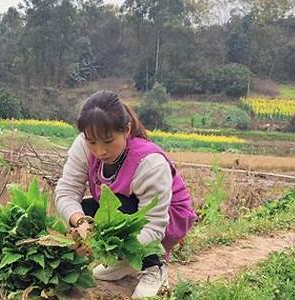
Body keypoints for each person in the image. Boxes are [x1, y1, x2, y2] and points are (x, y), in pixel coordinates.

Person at [55, 90, 196, 298]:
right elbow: (66, 191)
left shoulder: (149, 163)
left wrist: (107, 247)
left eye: (108, 141)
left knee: (120, 206)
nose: (100, 151)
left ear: (127, 130)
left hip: (168, 218)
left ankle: (154, 265)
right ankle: (127, 261)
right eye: (92, 142)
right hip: (123, 211)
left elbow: (154, 224)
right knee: (85, 209)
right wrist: (81, 223)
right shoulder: (83, 146)